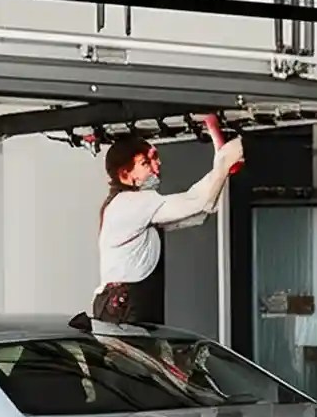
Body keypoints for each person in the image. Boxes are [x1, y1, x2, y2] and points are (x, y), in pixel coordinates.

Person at [93, 131, 244, 325]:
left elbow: (198, 213)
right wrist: (230, 154)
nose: (156, 167)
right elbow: (197, 202)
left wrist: (222, 171)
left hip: (123, 303)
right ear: (125, 175)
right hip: (125, 305)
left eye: (155, 159)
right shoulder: (131, 203)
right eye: (145, 163)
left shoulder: (127, 205)